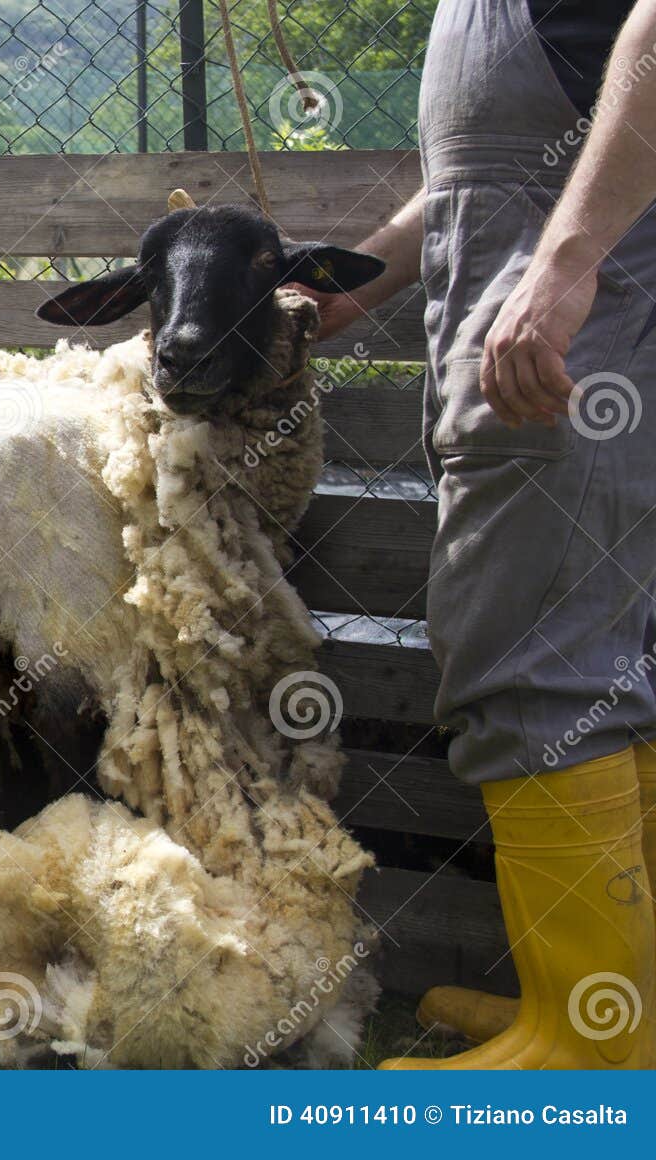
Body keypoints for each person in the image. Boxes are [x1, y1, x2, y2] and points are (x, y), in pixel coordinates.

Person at [298, 0, 656, 1068]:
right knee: (615, 669)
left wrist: (562, 268)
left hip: (567, 365)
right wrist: (358, 281)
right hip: (578, 351)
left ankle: (587, 1052)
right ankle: (619, 1011)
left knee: (531, 664)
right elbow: (490, 172)